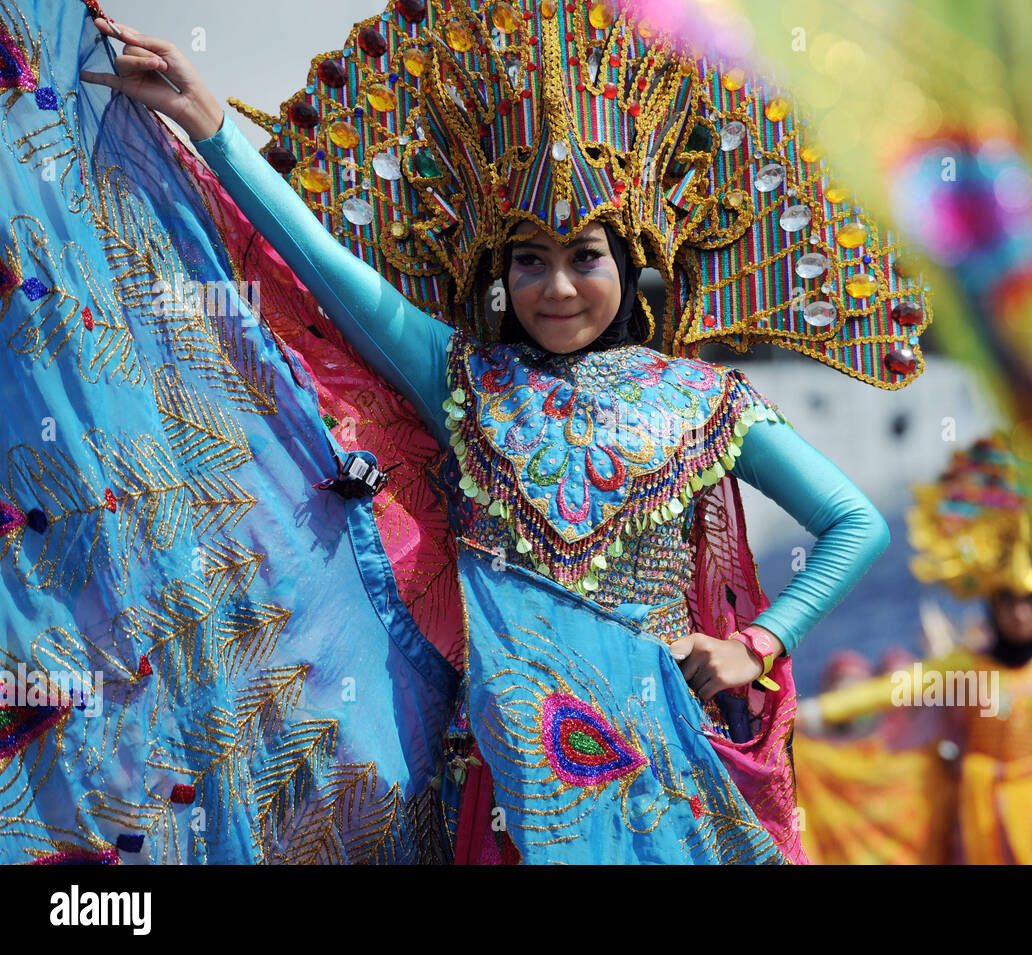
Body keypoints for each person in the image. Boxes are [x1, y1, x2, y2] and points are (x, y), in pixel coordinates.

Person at [79, 1, 931, 863]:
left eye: (585, 256)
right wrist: (211, 124)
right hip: (502, 780)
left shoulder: (703, 398)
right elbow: (319, 265)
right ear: (501, 270)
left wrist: (756, 642)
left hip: (668, 776)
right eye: (531, 259)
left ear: (630, 261)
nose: (557, 286)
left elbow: (854, 521)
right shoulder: (463, 381)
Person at [796, 436, 1032, 864]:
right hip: (982, 815)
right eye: (1009, 602)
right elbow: (893, 690)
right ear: (993, 605)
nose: (1020, 615)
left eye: (1029, 603)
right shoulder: (966, 671)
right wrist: (812, 714)